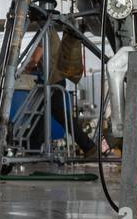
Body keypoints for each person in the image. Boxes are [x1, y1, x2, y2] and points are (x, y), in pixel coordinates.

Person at [24, 29, 97, 157]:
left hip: (52, 82)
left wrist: (25, 69)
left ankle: (88, 146)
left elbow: (35, 58)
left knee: (55, 116)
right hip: (54, 81)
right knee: (42, 116)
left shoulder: (45, 32)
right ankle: (32, 148)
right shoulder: (51, 32)